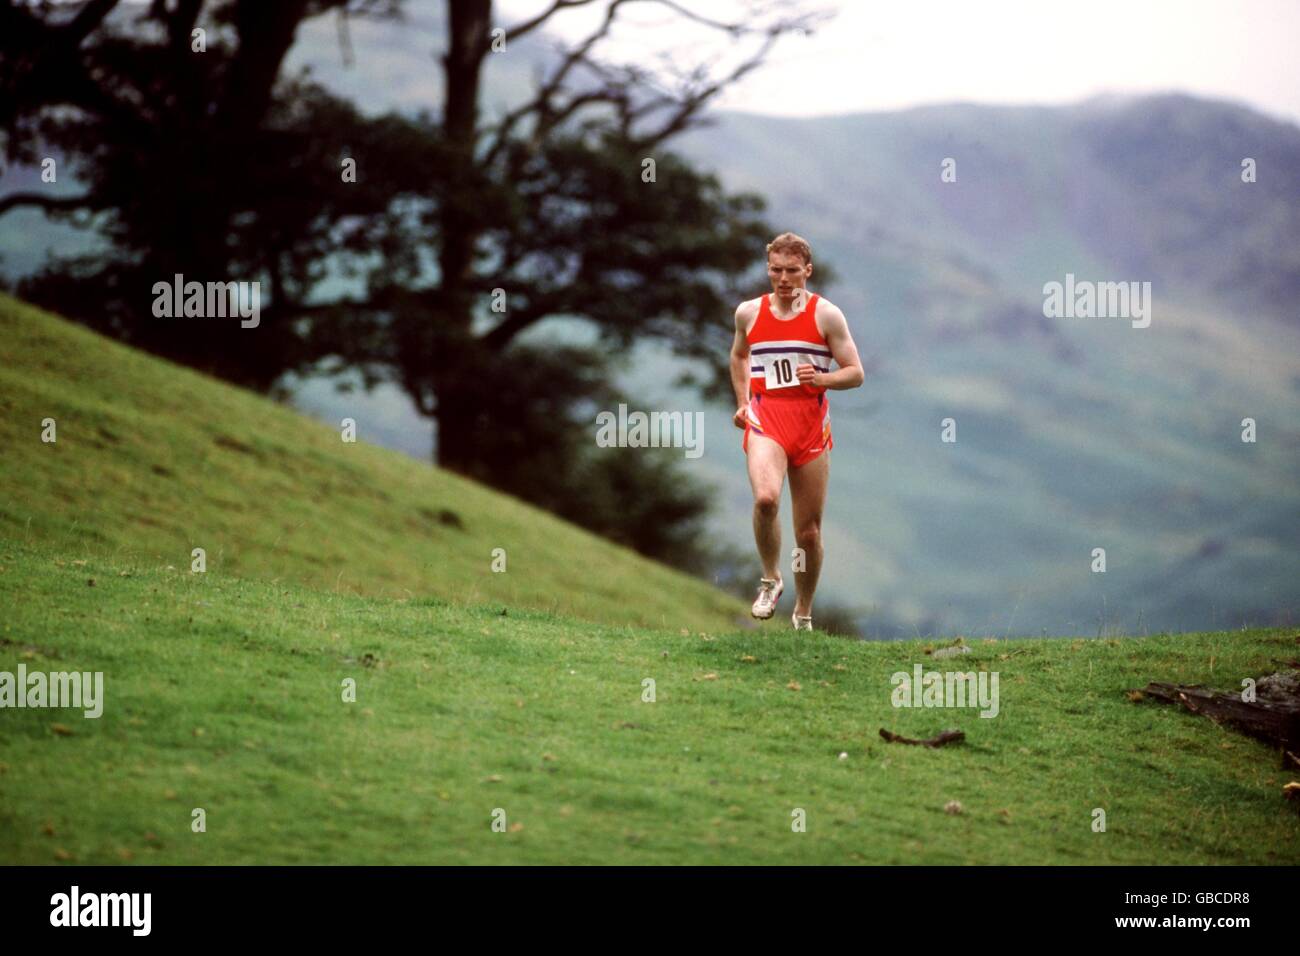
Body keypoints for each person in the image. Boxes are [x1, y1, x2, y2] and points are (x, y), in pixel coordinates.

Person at [730, 232, 864, 631]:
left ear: (807, 271)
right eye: (775, 270)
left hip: (809, 427)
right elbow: (739, 355)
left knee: (808, 532)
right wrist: (742, 401)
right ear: (767, 269)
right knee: (766, 500)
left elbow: (855, 373)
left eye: (792, 271)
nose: (783, 278)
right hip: (766, 419)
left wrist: (822, 379)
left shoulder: (827, 315)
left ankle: (803, 612)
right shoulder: (749, 313)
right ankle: (770, 579)